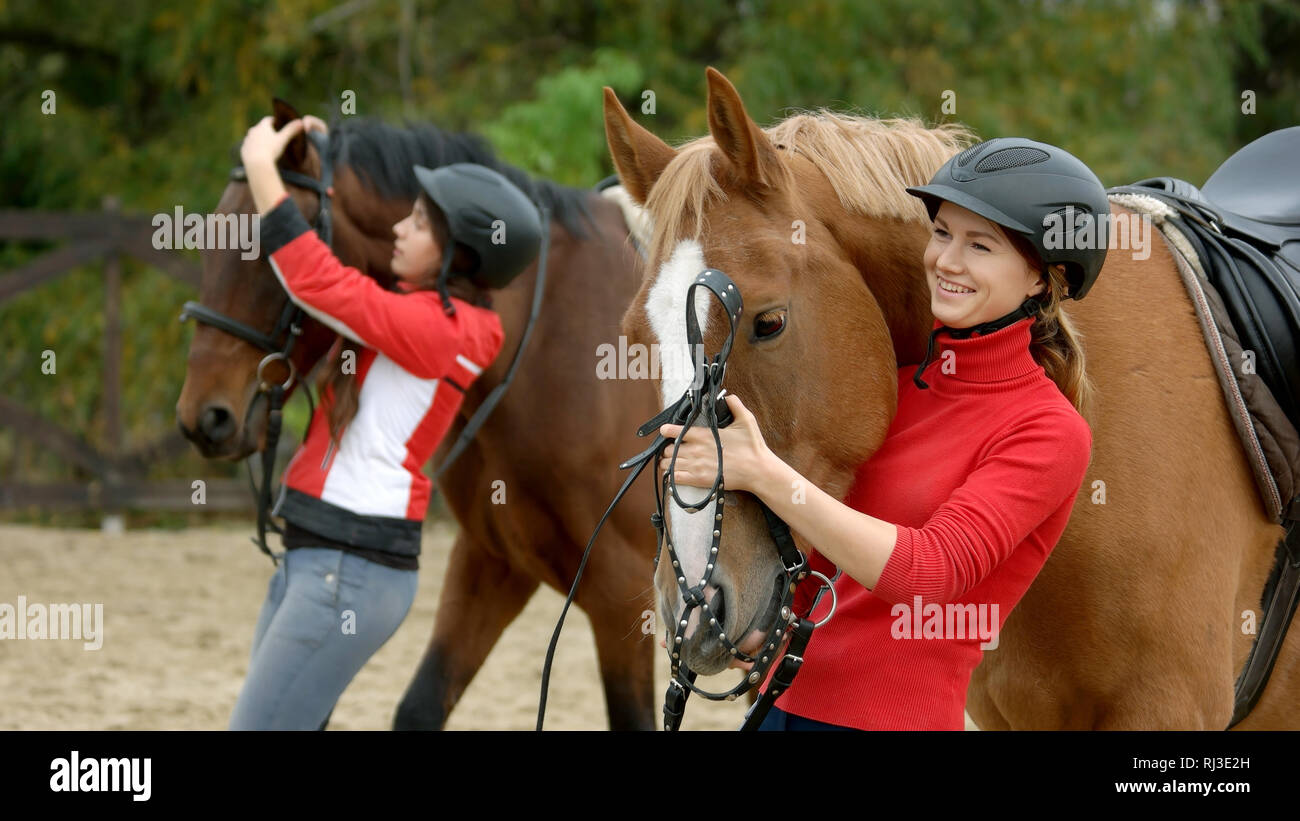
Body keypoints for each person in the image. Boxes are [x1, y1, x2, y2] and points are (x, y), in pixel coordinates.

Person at [660, 137, 1107, 730]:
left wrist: (764, 474)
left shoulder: (1047, 431)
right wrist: (763, 609)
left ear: (1041, 280)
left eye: (980, 246)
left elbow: (929, 573)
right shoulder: (888, 388)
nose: (947, 261)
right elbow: (825, 547)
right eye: (942, 232)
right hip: (778, 707)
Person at [227, 115, 541, 730]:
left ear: (459, 252)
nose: (400, 227)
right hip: (322, 558)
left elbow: (317, 280)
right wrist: (317, 160)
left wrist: (263, 169)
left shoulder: (444, 330)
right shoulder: (423, 315)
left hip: (346, 569)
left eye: (421, 222)